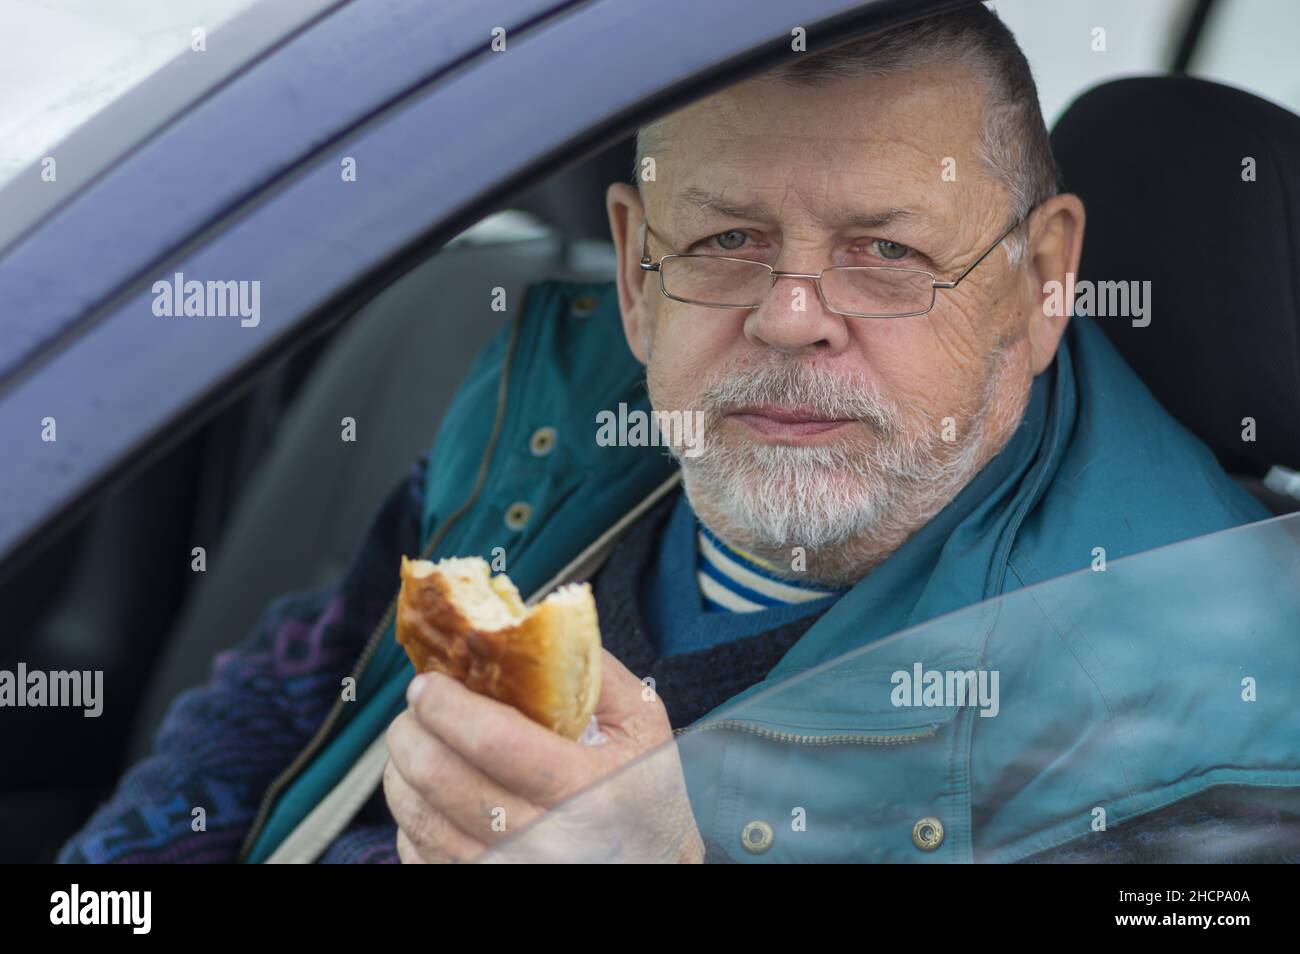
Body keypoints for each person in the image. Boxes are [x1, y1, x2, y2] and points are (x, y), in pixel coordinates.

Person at [59, 5, 1287, 865]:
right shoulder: (543, 414)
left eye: (886, 252)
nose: (791, 317)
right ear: (638, 274)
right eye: (726, 241)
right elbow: (288, 703)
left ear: (1040, 279)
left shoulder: (1212, 721)